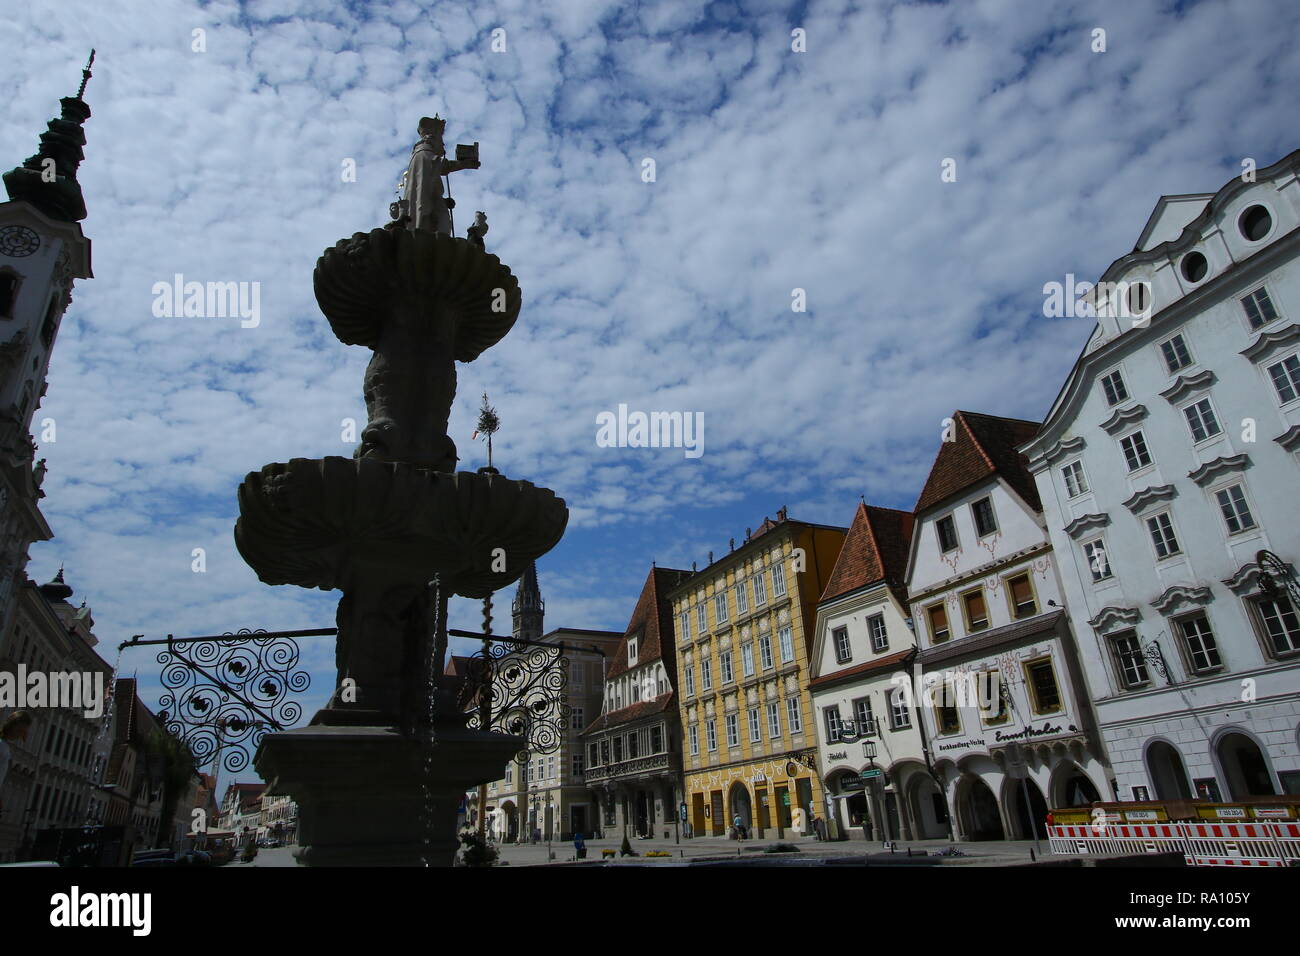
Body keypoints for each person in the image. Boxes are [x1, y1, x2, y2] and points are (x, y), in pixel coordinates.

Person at [0, 711, 33, 810]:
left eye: (23, 731)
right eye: (20, 730)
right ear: (11, 725)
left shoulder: (4, 746)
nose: (20, 735)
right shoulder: (2, 747)